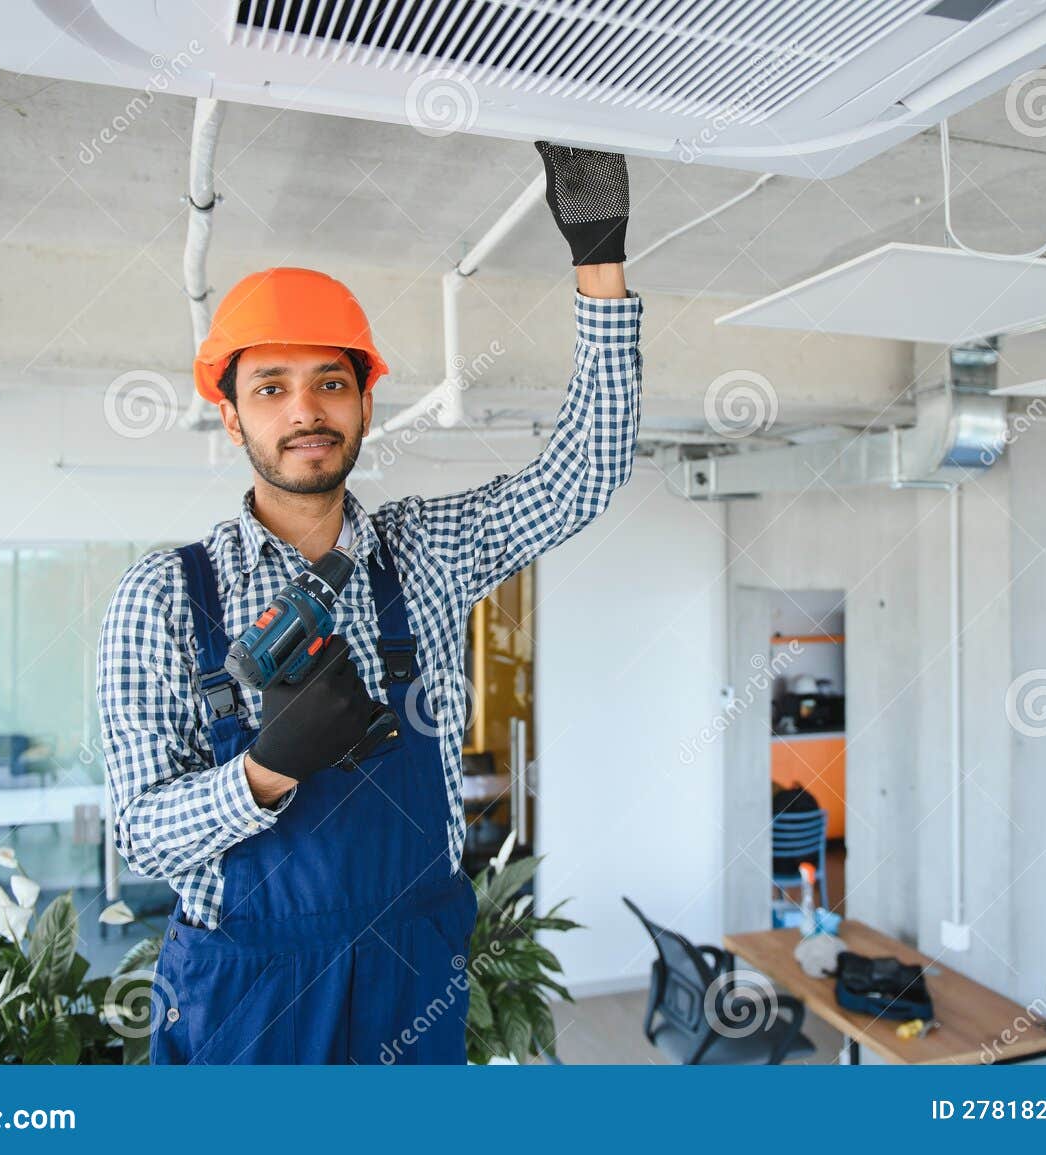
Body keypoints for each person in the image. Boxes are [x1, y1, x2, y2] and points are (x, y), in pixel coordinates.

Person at [95, 142, 639, 1064]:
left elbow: (585, 471)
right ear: (232, 415)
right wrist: (263, 772)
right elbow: (142, 831)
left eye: (331, 383)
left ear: (363, 403)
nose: (306, 410)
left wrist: (598, 253)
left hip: (412, 969)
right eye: (271, 387)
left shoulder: (428, 551)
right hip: (248, 992)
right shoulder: (167, 595)